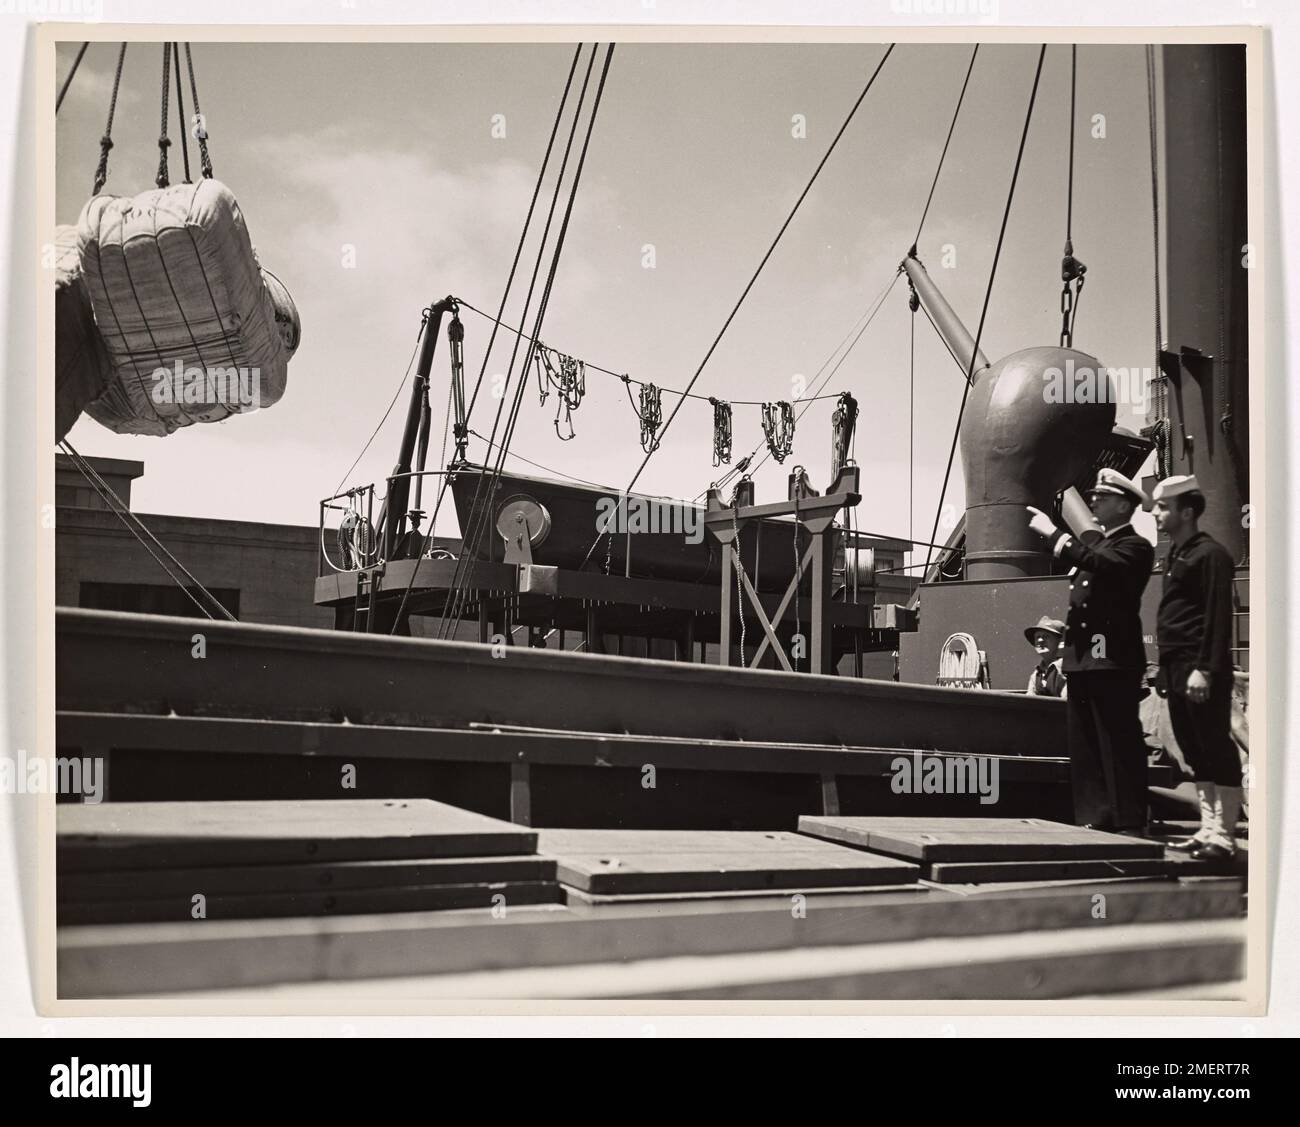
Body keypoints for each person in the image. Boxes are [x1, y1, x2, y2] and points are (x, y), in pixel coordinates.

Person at [1026, 469, 1155, 834]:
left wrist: (1056, 536)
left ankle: (1130, 823)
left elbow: (1104, 566)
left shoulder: (1134, 547)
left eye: (1102, 495)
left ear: (1123, 504)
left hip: (1111, 662)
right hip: (1083, 662)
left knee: (1117, 742)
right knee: (1085, 745)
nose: (1093, 500)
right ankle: (1095, 817)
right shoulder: (1099, 548)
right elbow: (1093, 562)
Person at [1151, 474, 1242, 860]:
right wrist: (1164, 669)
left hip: (1198, 667)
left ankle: (1224, 834)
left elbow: (1218, 617)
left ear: (1186, 512)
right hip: (1176, 668)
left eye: (1162, 507)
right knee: (1194, 748)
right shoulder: (1177, 554)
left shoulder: (1211, 555)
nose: (1155, 513)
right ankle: (1207, 829)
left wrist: (1204, 668)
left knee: (1215, 745)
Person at [1024, 615, 1067, 697]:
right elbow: (1029, 703)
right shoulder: (1036, 675)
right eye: (1037, 637)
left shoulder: (1066, 669)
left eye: (1046, 636)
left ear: (1060, 641)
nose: (1040, 640)